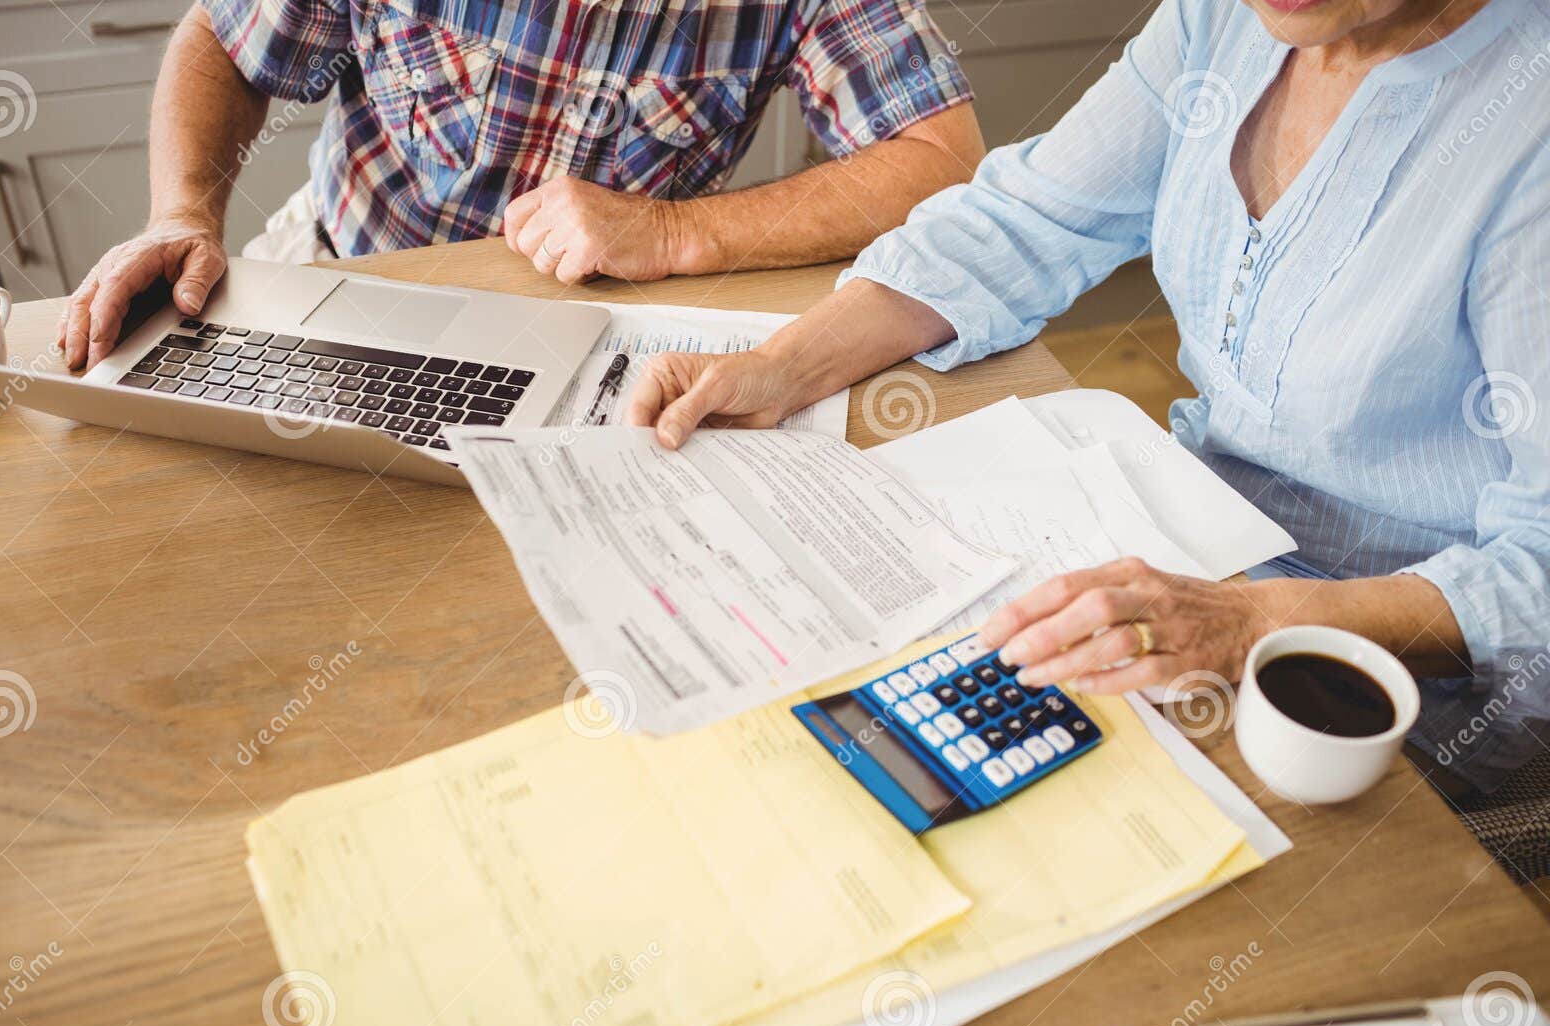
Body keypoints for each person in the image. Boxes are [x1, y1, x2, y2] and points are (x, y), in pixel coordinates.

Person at [629, 0, 1550, 793]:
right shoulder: (1222, 20)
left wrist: (1246, 623)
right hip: (1184, 565)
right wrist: (783, 364)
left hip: (1375, 693)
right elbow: (1030, 218)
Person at [59, 0, 983, 371]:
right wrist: (181, 210)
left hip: (607, 332)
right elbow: (225, 44)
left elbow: (943, 155)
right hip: (342, 281)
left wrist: (672, 233)